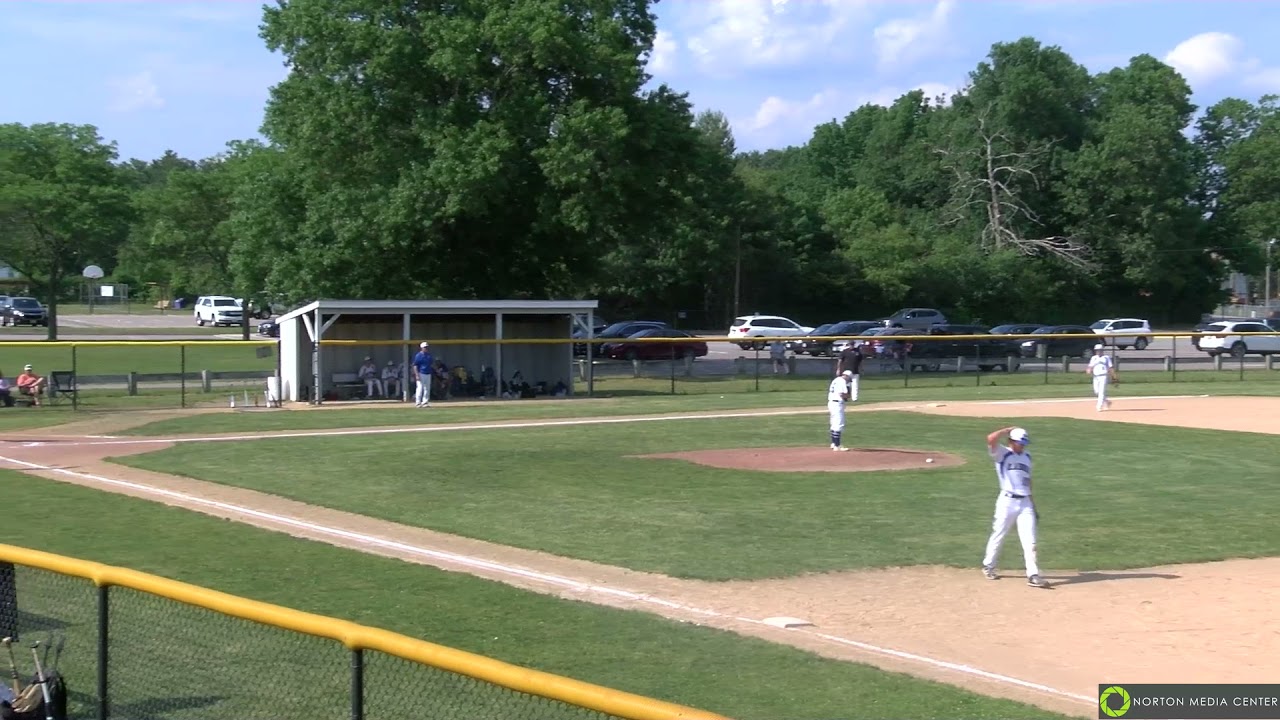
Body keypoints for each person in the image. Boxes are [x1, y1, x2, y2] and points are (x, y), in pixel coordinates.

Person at [981, 426, 1046, 588]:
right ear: (1011, 441)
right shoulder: (1002, 453)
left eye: (1024, 444)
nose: (1022, 446)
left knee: (1030, 540)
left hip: (1025, 502)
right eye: (1019, 443)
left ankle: (1033, 574)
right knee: (999, 533)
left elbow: (1028, 481)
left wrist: (1033, 505)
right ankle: (989, 565)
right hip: (1007, 501)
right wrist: (1006, 430)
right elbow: (990, 438)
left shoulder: (1027, 457)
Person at [826, 370, 854, 451]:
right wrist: (848, 395)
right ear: (847, 376)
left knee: (833, 423)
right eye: (849, 379)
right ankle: (837, 445)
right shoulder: (842, 381)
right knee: (839, 423)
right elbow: (842, 394)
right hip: (837, 404)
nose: (848, 381)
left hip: (832, 403)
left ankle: (833, 443)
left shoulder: (836, 380)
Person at [1085, 344, 1117, 411]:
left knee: (1101, 392)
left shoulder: (1106, 357)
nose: (1098, 351)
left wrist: (1114, 376)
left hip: (1103, 376)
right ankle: (1107, 402)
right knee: (1096, 391)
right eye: (1097, 350)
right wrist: (1088, 370)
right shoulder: (1093, 358)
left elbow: (1110, 367)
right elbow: (1090, 366)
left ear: (1102, 350)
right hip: (1096, 377)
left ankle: (1099, 406)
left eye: (1100, 350)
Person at [412, 342, 434, 407]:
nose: (426, 348)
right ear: (421, 348)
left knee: (427, 389)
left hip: (428, 373)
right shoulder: (418, 355)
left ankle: (425, 402)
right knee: (420, 388)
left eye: (427, 347)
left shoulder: (429, 355)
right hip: (421, 373)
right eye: (425, 347)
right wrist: (417, 375)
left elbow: (431, 364)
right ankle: (418, 402)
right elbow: (415, 366)